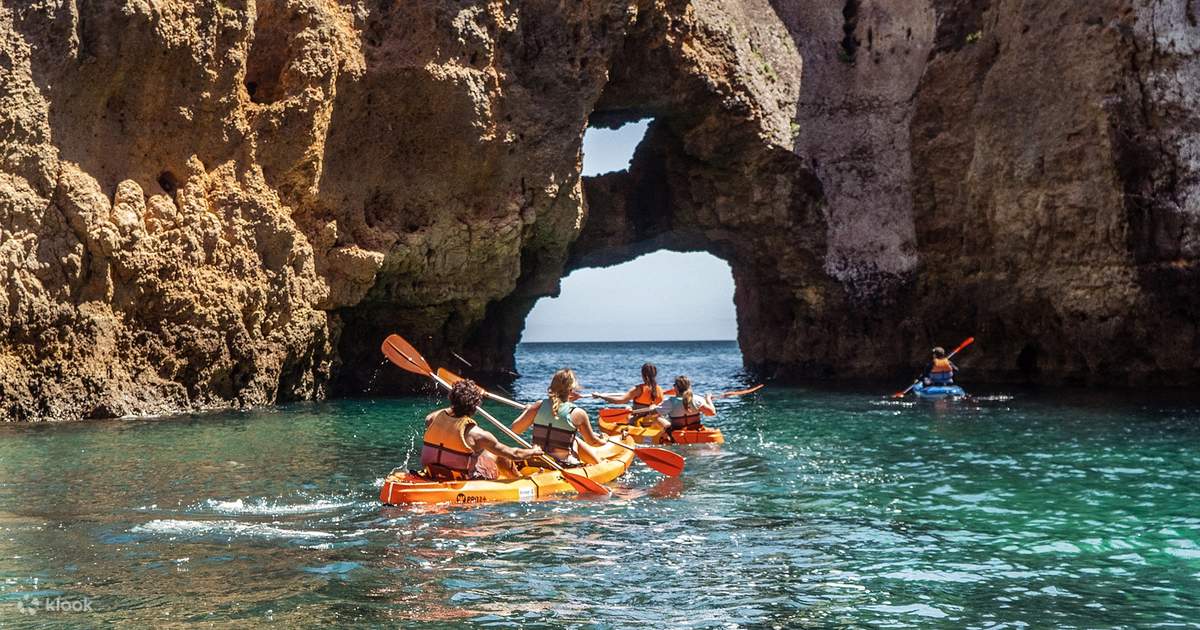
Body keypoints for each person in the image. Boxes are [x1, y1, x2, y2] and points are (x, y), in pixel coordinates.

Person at [420, 379, 542, 481]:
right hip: (461, 478)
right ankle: (518, 479)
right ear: (475, 407)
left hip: (432, 472)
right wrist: (533, 451)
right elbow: (514, 454)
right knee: (499, 455)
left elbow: (444, 414)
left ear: (452, 399)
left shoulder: (431, 419)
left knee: (481, 452)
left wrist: (457, 402)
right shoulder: (478, 435)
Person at [512, 368, 609, 466]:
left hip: (535, 461)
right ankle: (599, 464)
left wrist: (528, 411)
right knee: (575, 440)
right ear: (572, 389)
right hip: (561, 464)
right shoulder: (578, 413)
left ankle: (598, 463)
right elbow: (592, 442)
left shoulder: (538, 406)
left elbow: (516, 429)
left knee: (574, 439)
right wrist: (604, 441)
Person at [591, 362, 665, 425]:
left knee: (627, 408)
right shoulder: (660, 390)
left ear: (643, 375)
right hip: (652, 420)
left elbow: (620, 401)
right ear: (655, 375)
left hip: (638, 420)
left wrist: (601, 396)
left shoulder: (638, 389)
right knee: (628, 408)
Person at [646, 375, 716, 441]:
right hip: (695, 431)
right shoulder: (697, 399)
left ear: (676, 388)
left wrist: (653, 407)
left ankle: (662, 435)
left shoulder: (670, 402)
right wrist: (708, 399)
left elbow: (652, 413)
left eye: (674, 385)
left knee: (657, 417)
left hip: (677, 433)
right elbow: (712, 413)